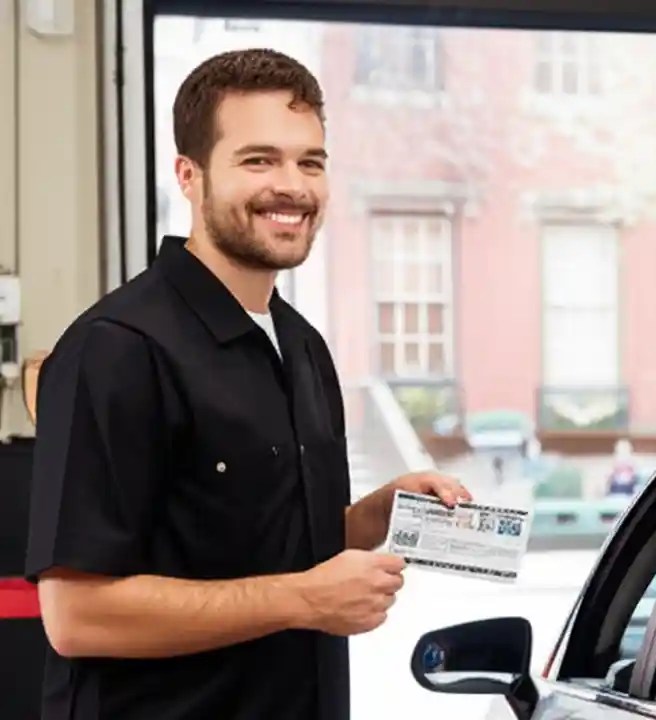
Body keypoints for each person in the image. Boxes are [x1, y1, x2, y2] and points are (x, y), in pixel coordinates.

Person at [23, 48, 471, 720]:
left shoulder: (302, 346)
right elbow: (78, 615)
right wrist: (306, 600)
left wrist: (374, 517)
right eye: (258, 160)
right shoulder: (116, 350)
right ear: (189, 176)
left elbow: (268, 551)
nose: (291, 185)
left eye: (310, 162)